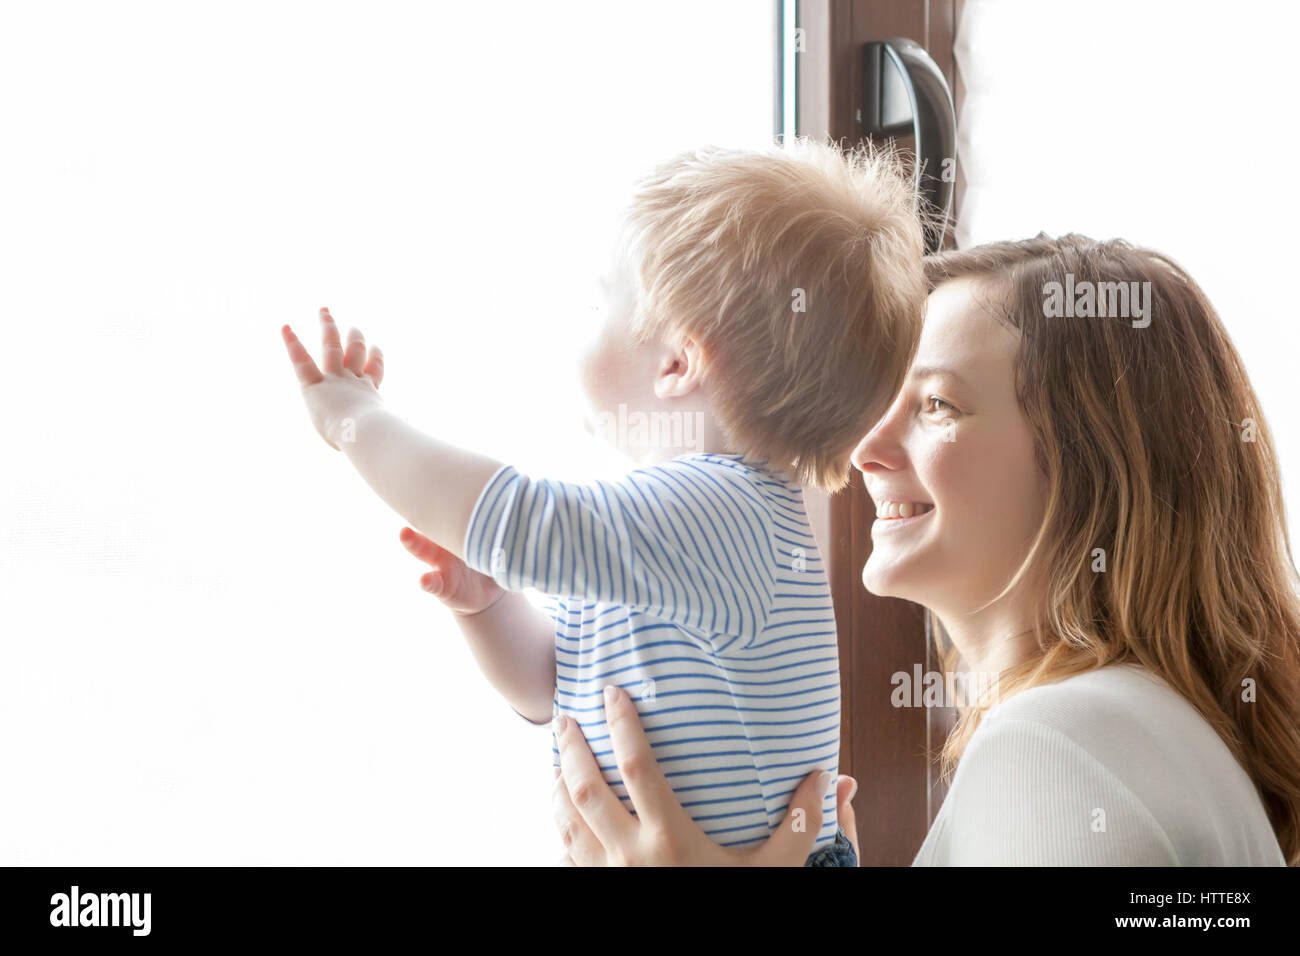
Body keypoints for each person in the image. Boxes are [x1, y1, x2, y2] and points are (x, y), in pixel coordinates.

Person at [437, 234, 1298, 865]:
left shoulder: (1061, 742)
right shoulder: (1133, 731)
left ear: (1097, 464)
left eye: (938, 406)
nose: (864, 447)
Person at [281, 137, 929, 865]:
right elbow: (548, 691)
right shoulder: (682, 531)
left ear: (678, 361)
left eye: (600, 300)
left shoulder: (719, 513)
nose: (581, 320)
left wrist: (356, 421)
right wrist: (489, 608)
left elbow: (516, 520)